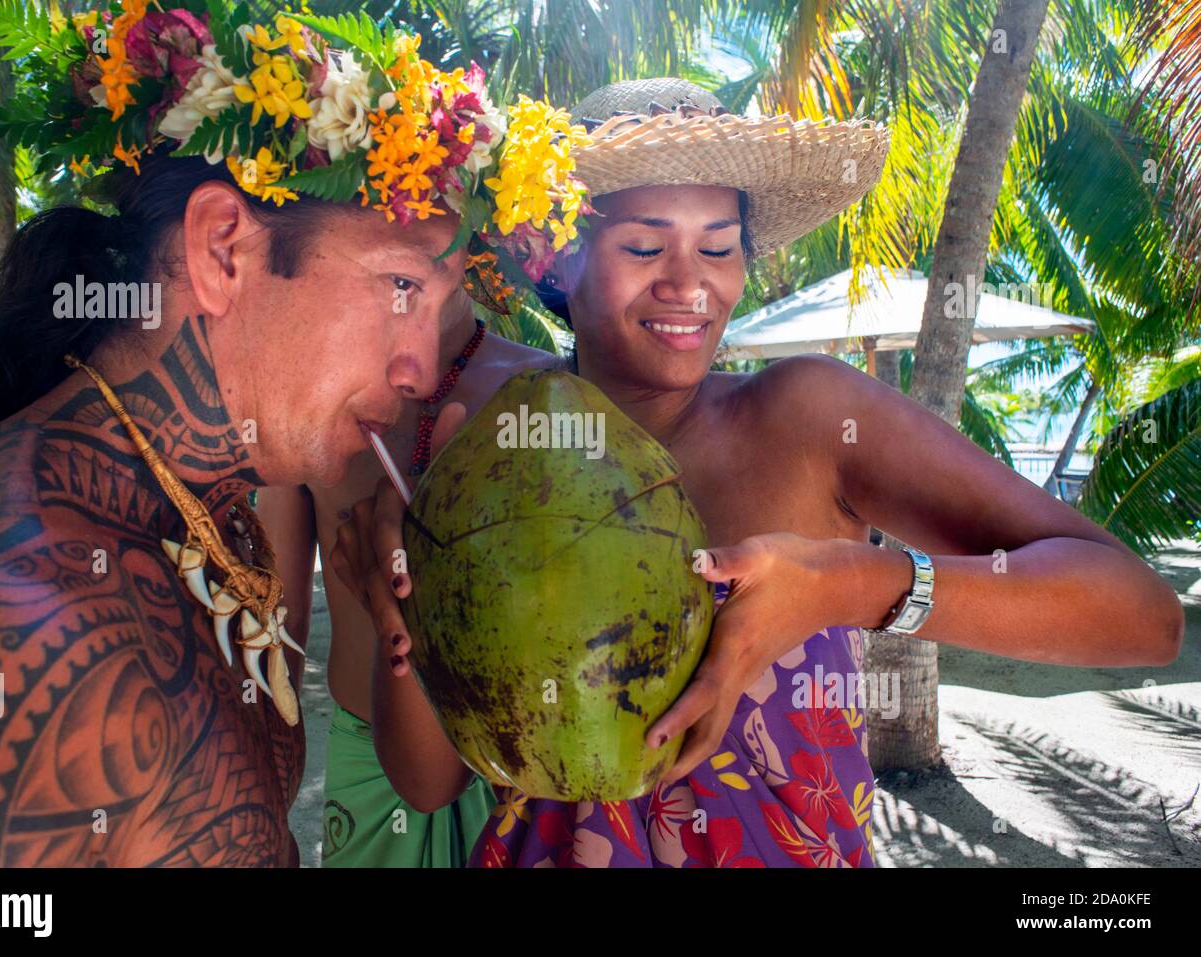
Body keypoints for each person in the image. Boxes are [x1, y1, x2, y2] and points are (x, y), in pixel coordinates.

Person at [333, 78, 1185, 868]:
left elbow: (1139, 616)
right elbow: (431, 781)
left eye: (718, 248)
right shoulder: (494, 451)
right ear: (562, 263)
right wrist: (398, 605)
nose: (687, 285)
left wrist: (851, 584)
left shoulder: (807, 418)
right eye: (641, 245)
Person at [0, 6, 578, 866]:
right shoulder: (23, 625)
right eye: (401, 285)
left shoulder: (214, 517)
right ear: (224, 248)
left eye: (440, 308)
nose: (416, 370)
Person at [254, 285, 554, 867]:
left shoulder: (550, 391)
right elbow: (277, 619)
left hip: (521, 763)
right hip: (368, 763)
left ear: (482, 235)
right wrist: (266, 799)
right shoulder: (302, 393)